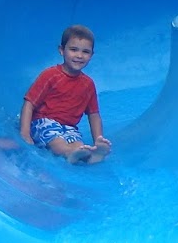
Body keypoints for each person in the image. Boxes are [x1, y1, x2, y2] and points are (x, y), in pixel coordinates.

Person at [19, 24, 111, 164]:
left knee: (79, 146)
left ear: (91, 55)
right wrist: (25, 132)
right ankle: (68, 153)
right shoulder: (50, 75)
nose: (79, 56)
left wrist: (98, 140)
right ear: (62, 50)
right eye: (73, 50)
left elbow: (94, 115)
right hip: (43, 121)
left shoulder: (88, 84)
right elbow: (29, 103)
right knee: (57, 141)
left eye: (85, 52)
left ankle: (91, 156)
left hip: (68, 127)